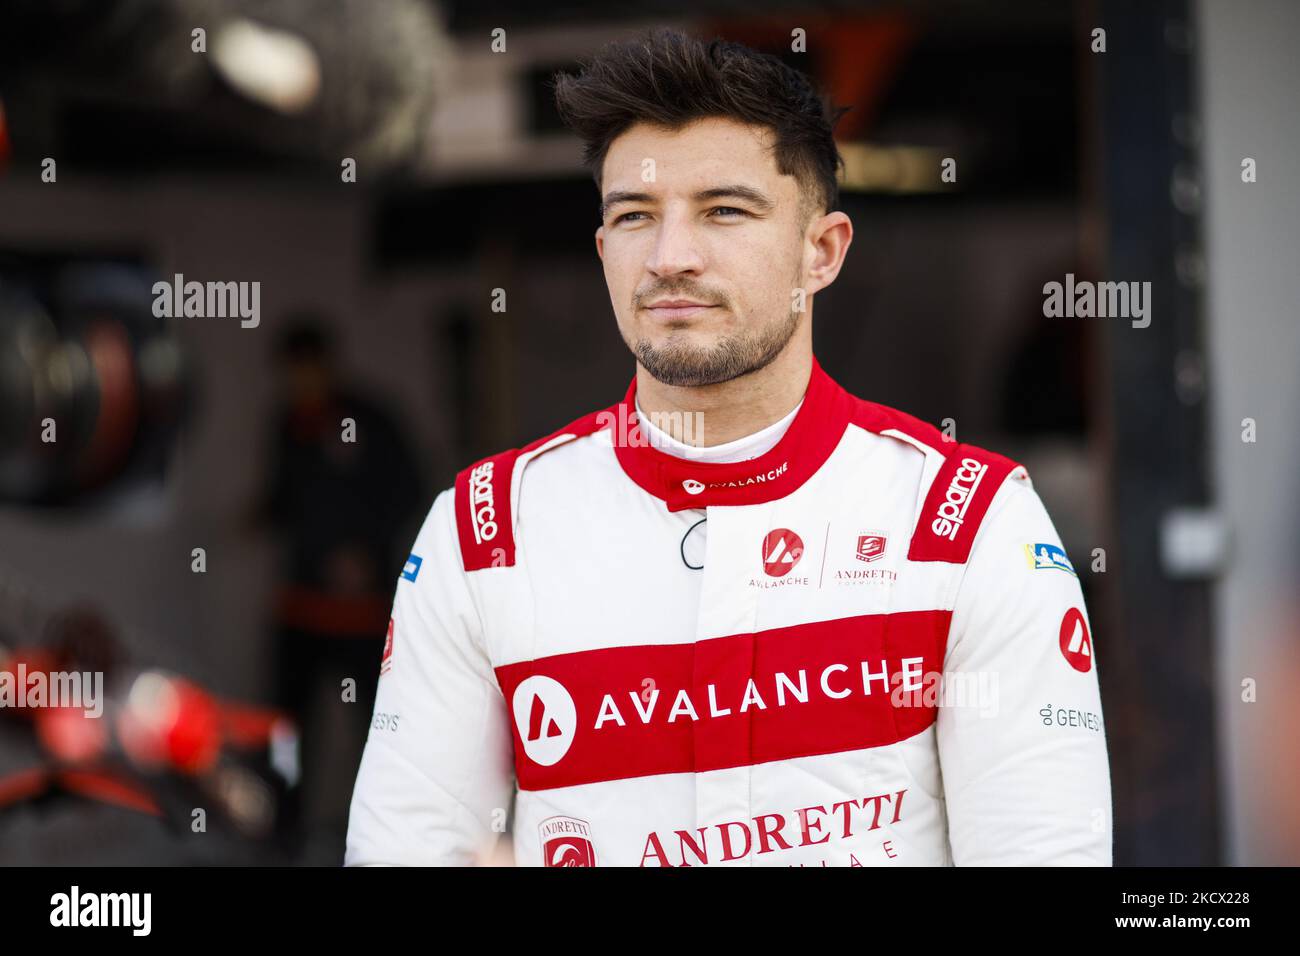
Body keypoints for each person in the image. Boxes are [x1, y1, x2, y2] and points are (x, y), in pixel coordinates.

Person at [345, 29, 1112, 867]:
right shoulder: (485, 531)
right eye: (634, 216)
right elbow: (406, 849)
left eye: (724, 210)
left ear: (820, 252)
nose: (671, 258)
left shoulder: (966, 522)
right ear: (604, 252)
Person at [261, 318, 422, 860]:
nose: (299, 384)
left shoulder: (371, 419)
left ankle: (377, 842)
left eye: (306, 371)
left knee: (378, 731)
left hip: (359, 616)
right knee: (287, 731)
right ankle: (283, 836)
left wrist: (366, 551)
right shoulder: (288, 424)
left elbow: (408, 490)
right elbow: (286, 499)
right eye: (291, 374)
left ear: (326, 366)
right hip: (301, 611)